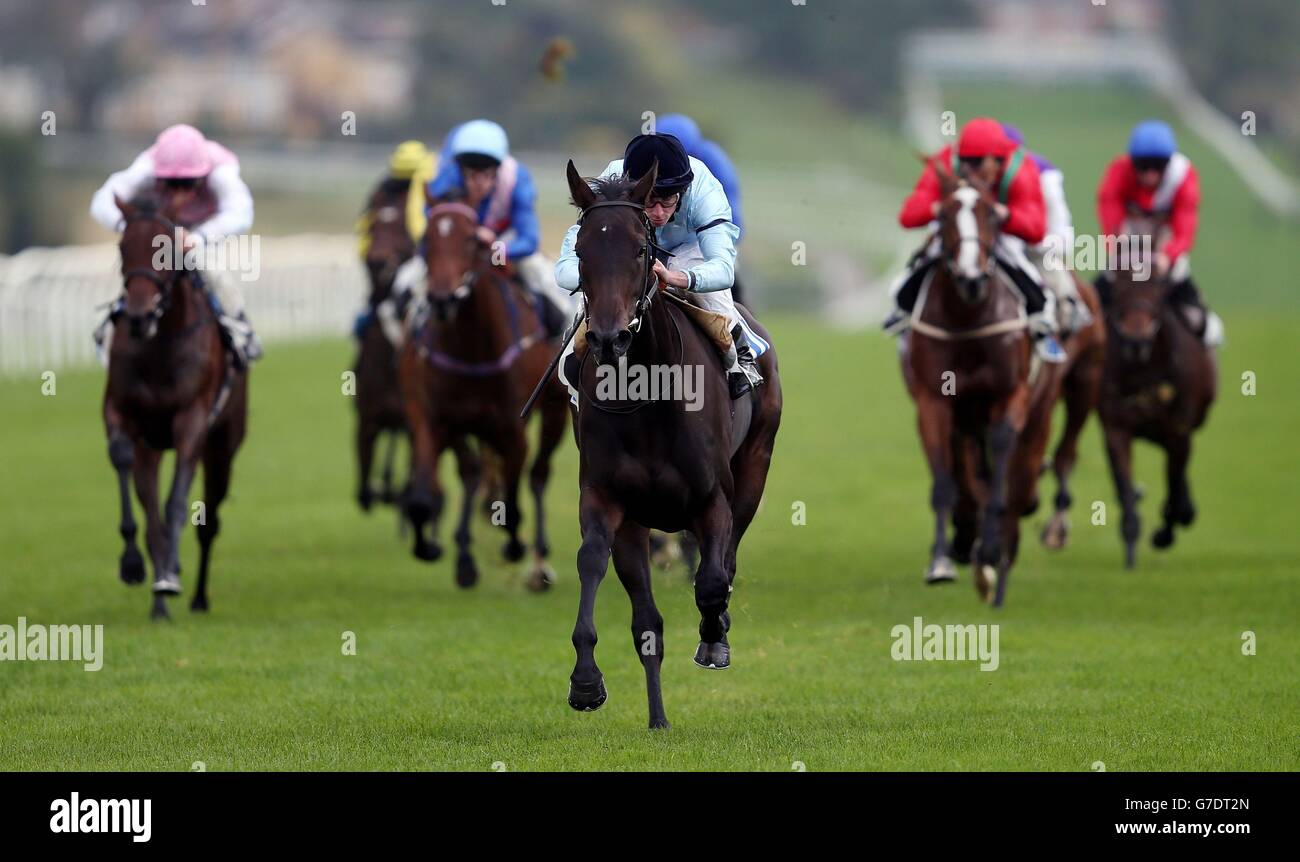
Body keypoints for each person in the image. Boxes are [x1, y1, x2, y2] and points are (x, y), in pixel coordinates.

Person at [555, 132, 767, 399]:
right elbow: (566, 267)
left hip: (690, 250)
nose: (657, 213)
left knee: (712, 297)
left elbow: (724, 269)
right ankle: (575, 359)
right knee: (595, 299)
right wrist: (601, 277)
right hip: (630, 249)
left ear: (683, 191)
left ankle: (738, 360)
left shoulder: (705, 192)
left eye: (667, 202)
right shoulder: (612, 182)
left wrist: (677, 277)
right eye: (649, 201)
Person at [884, 117, 1066, 363]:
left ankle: (1040, 324)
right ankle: (903, 310)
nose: (969, 169)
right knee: (913, 270)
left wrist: (1005, 214)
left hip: (1001, 237)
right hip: (955, 235)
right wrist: (937, 208)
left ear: (997, 159)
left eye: (978, 162)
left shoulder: (1021, 170)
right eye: (966, 161)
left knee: (1024, 269)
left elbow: (1035, 229)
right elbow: (908, 216)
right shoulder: (946, 163)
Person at [90, 123, 261, 367]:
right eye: (171, 184)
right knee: (141, 274)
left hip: (204, 232)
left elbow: (242, 213)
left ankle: (240, 329)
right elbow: (101, 200)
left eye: (189, 184)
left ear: (203, 177)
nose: (180, 194)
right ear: (158, 177)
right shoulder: (146, 167)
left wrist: (198, 238)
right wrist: (130, 228)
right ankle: (109, 329)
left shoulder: (221, 170)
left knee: (213, 272)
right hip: (160, 230)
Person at [390, 119, 571, 337]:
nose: (478, 180)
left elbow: (529, 240)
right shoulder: (447, 176)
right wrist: (465, 238)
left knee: (546, 281)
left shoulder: (517, 180)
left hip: (503, 243)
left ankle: (560, 341)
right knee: (405, 281)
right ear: (459, 167)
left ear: (499, 167)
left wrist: (495, 248)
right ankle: (406, 345)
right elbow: (433, 221)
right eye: (470, 170)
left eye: (486, 170)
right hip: (456, 247)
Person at [1096, 119, 1222, 345]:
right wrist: (1117, 243)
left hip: (1165, 244)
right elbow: (1109, 210)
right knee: (1102, 291)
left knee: (1182, 286)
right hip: (1129, 241)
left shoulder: (1184, 177)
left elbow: (1185, 228)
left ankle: (1204, 325)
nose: (1150, 175)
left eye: (1158, 167)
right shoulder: (1118, 171)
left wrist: (1168, 256)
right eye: (1143, 166)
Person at [1001, 122, 1091, 334]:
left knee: (1054, 276)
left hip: (1038, 249)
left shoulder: (1043, 177)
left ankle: (1065, 319)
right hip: (1000, 248)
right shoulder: (983, 176)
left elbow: (1060, 231)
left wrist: (1032, 245)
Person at [655, 114, 748, 305]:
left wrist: (726, 239)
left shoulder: (713, 160)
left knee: (728, 274)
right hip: (655, 241)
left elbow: (730, 201)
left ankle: (737, 320)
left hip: (700, 239)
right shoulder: (639, 159)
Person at [353, 140, 435, 339]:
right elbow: (364, 227)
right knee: (367, 319)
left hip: (421, 263)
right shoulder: (382, 192)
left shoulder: (433, 190)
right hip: (383, 273)